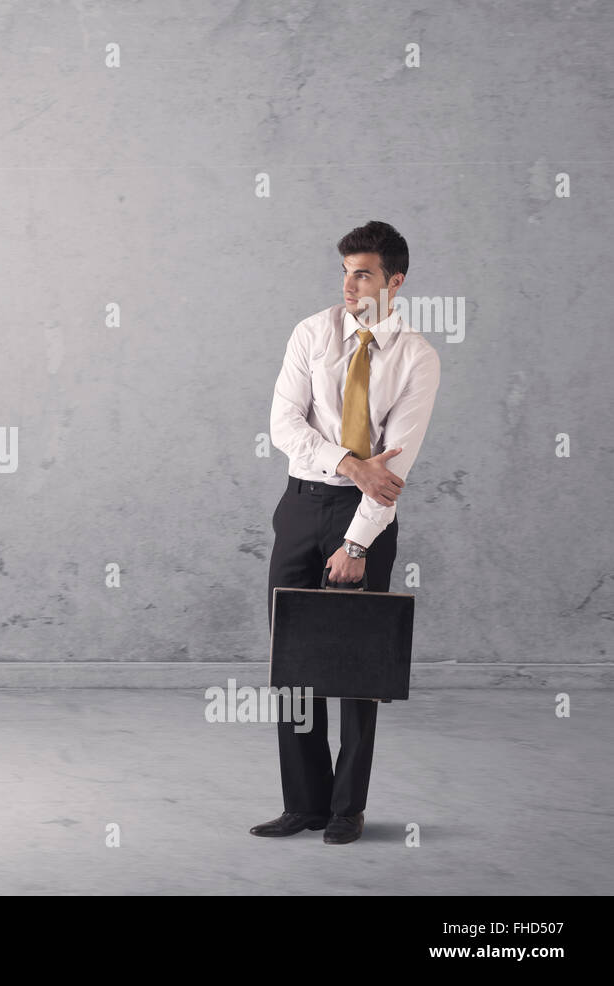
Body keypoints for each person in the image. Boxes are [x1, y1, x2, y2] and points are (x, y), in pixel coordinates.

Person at [252, 220, 441, 845]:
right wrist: (349, 461)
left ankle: (345, 808)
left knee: (357, 667)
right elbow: (285, 425)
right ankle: (302, 803)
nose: (349, 285)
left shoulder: (416, 357)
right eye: (344, 271)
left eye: (362, 273)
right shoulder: (313, 333)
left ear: (395, 281)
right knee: (293, 661)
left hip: (365, 517)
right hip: (301, 507)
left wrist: (357, 543)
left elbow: (395, 470)